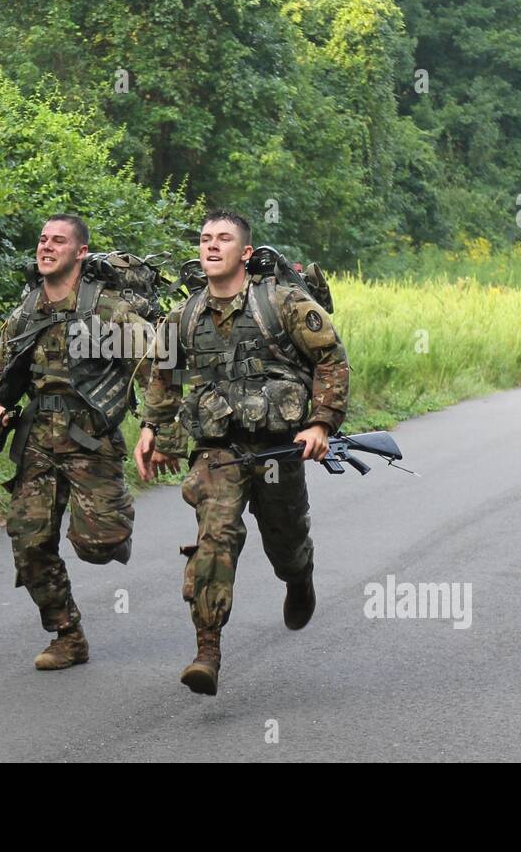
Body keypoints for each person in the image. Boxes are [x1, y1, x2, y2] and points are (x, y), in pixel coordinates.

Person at [133, 209, 350, 695]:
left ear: (245, 253)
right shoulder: (183, 317)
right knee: (215, 537)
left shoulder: (282, 303)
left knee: (285, 542)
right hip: (219, 451)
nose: (211, 246)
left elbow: (330, 360)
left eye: (223, 239)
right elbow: (162, 379)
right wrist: (153, 431)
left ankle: (299, 577)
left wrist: (320, 423)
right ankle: (206, 649)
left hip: (277, 449)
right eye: (205, 238)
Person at [0, 214, 155, 670]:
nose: (46, 247)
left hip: (90, 437)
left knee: (99, 543)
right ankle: (66, 634)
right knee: (29, 539)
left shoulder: (108, 310)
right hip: (37, 438)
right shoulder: (26, 310)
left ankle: (111, 523)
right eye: (42, 239)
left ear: (80, 253)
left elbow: (157, 365)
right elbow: (3, 372)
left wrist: (157, 426)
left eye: (58, 241)